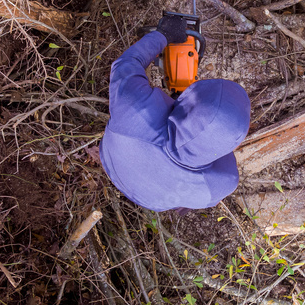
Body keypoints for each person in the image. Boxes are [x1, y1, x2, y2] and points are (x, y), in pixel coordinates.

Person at [100, 16, 251, 212]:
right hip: (150, 201)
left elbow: (128, 62)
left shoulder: (134, 112)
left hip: (112, 160)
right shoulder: (224, 183)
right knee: (184, 205)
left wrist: (164, 35)